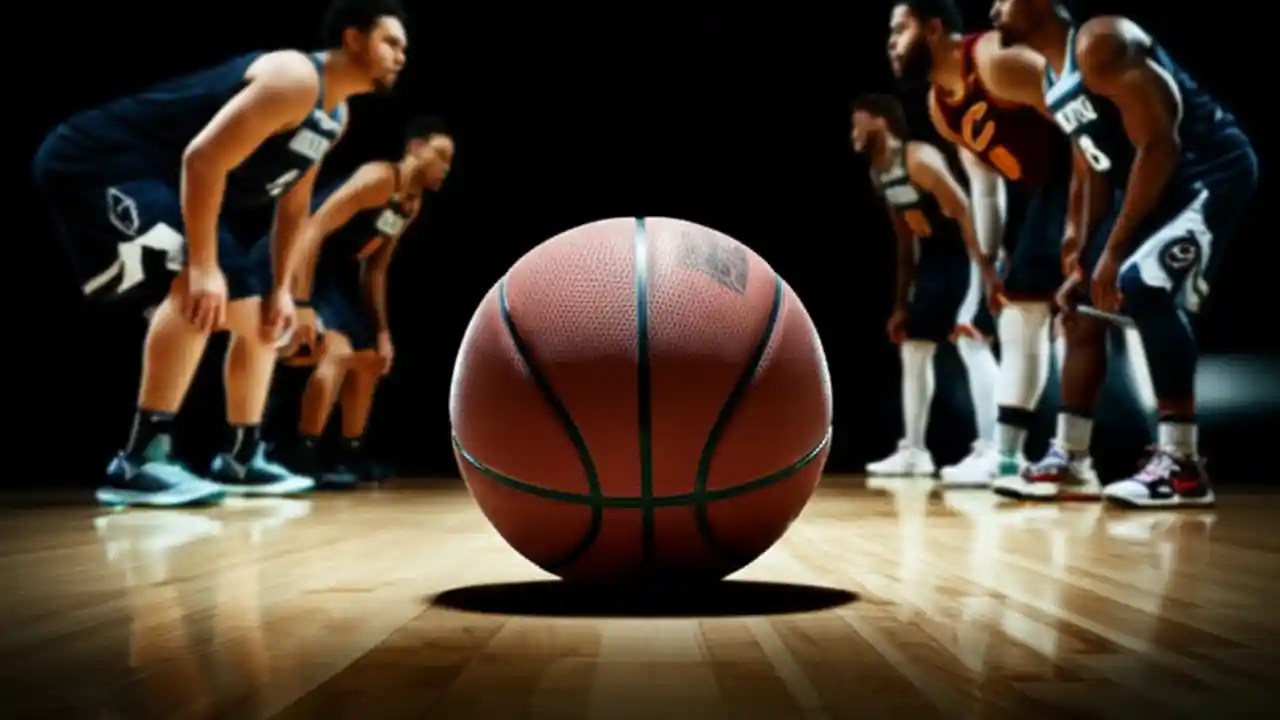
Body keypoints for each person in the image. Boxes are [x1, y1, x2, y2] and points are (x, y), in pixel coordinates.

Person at [31, 0, 411, 508]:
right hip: (98, 160)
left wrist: (282, 291)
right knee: (193, 285)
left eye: (404, 47)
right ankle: (140, 459)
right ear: (352, 38)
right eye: (391, 42)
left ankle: (241, 455)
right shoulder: (294, 77)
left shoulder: (334, 115)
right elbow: (202, 158)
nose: (401, 56)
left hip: (165, 181)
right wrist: (203, 265)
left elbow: (294, 206)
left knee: (258, 314)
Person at [988, 0, 1258, 508]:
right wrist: (1082, 252)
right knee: (1080, 309)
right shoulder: (1053, 77)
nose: (993, 8)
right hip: (1149, 185)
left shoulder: (1101, 43)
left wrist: (1112, 253)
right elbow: (1095, 167)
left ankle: (1183, 467)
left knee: (1145, 287)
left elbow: (1161, 145)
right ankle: (1071, 459)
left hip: (1208, 172)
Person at [886, 0, 1084, 491]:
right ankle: (1020, 457)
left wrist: (1084, 220)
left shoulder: (995, 59)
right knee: (1021, 310)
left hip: (1088, 176)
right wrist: (989, 263)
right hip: (1047, 193)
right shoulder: (940, 106)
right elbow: (987, 188)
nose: (891, 42)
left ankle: (1047, 457)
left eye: (900, 29)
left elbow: (1086, 121)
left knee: (1061, 316)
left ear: (934, 29)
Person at [262, 117, 454, 488]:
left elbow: (375, 271)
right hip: (302, 263)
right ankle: (302, 453)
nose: (446, 168)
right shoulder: (379, 178)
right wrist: (299, 299)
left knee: (369, 360)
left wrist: (382, 331)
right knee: (338, 353)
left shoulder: (409, 204)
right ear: (415, 149)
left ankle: (347, 453)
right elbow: (312, 228)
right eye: (441, 156)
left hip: (333, 277)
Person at [851, 94, 1001, 477]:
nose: (853, 130)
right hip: (935, 260)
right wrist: (902, 303)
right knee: (914, 349)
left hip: (969, 253)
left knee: (971, 339)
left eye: (858, 121)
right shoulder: (880, 172)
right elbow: (905, 242)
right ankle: (916, 451)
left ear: (882, 120)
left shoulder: (918, 158)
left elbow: (966, 210)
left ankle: (996, 448)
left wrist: (986, 273)